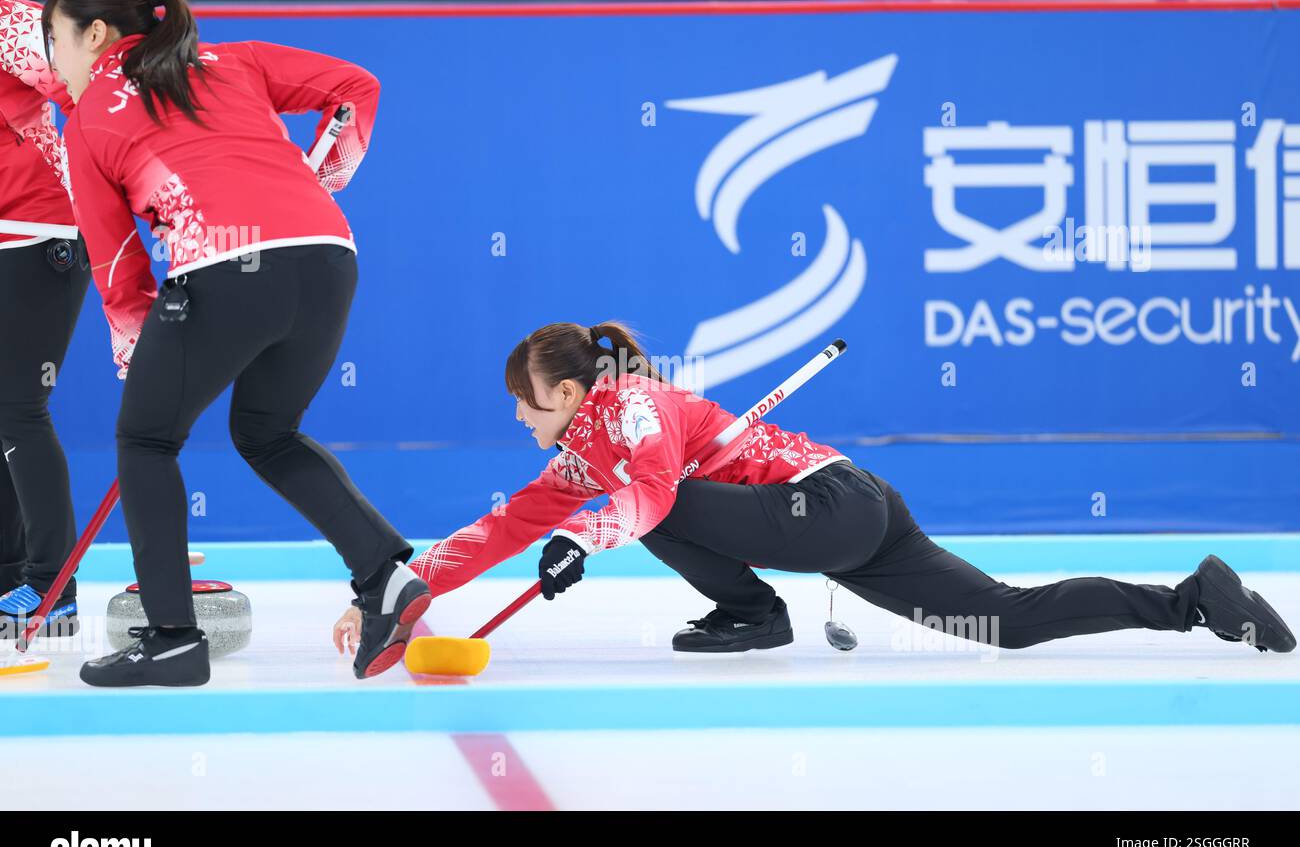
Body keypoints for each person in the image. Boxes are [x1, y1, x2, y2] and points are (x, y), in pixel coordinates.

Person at [334, 321, 1295, 658]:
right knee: (1003, 621)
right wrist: (408, 586)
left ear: (573, 391)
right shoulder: (582, 461)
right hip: (852, 518)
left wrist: (586, 537)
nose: (517, 416)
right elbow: (509, 523)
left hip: (829, 504)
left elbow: (653, 497)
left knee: (645, 504)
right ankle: (1191, 600)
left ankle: (751, 612)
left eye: (524, 401)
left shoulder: (634, 410)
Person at [43, 0, 429, 687]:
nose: (54, 65)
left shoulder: (90, 114)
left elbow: (118, 258)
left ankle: (171, 639)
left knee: (146, 439)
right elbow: (357, 87)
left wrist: (134, 343)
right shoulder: (234, 58)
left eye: (56, 43)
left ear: (95, 36)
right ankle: (383, 573)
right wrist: (320, 179)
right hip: (329, 257)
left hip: (224, 269)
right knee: (267, 432)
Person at [0, 0, 89, 638]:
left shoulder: (10, 22)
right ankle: (12, 576)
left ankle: (52, 585)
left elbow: (84, 94)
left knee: (17, 410)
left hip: (37, 234)